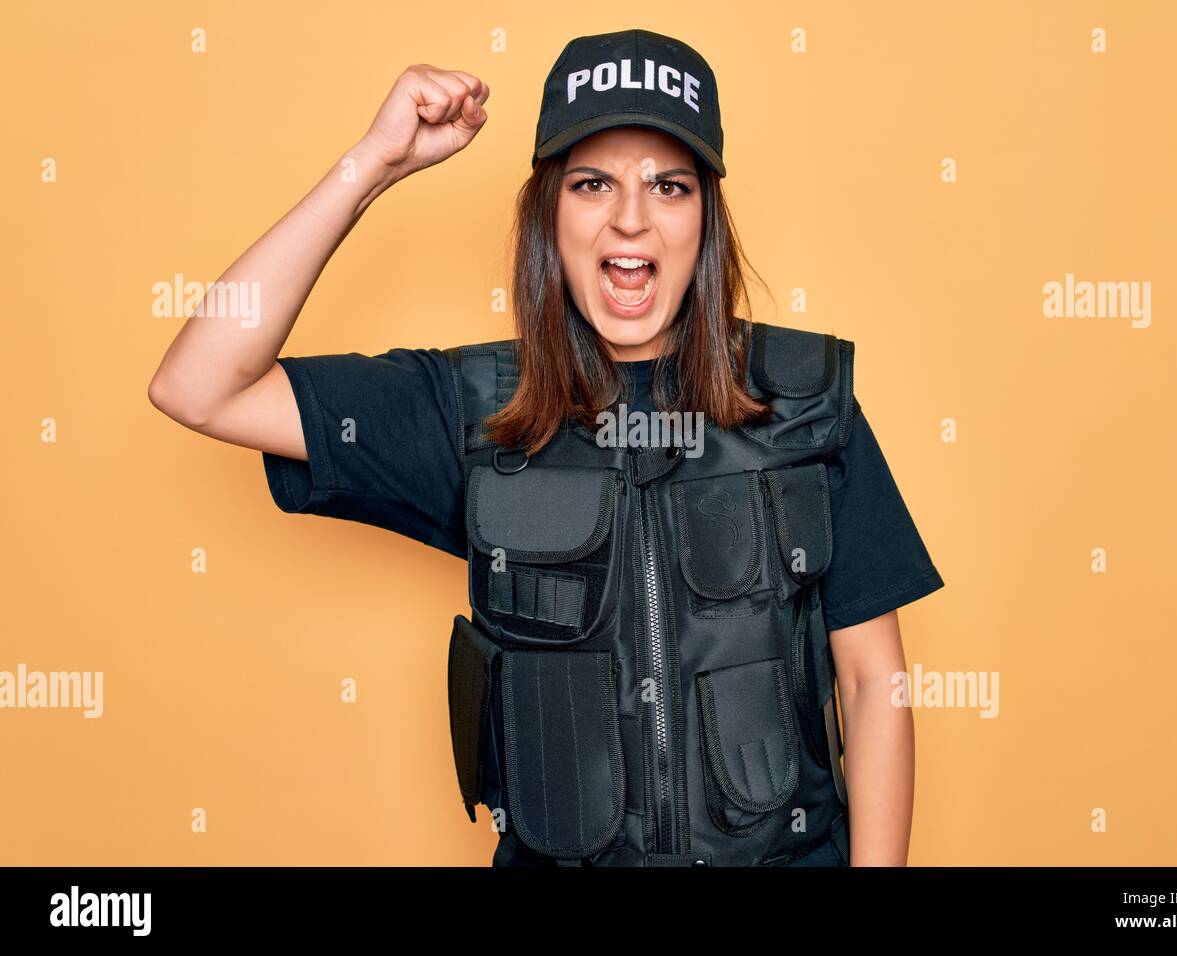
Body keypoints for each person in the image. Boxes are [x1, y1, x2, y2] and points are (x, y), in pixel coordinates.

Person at [149, 28, 944, 867]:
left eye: (668, 186)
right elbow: (199, 385)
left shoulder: (803, 400)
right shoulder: (473, 412)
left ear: (705, 218)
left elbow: (872, 686)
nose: (630, 218)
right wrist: (371, 167)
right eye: (592, 183)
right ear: (548, 217)